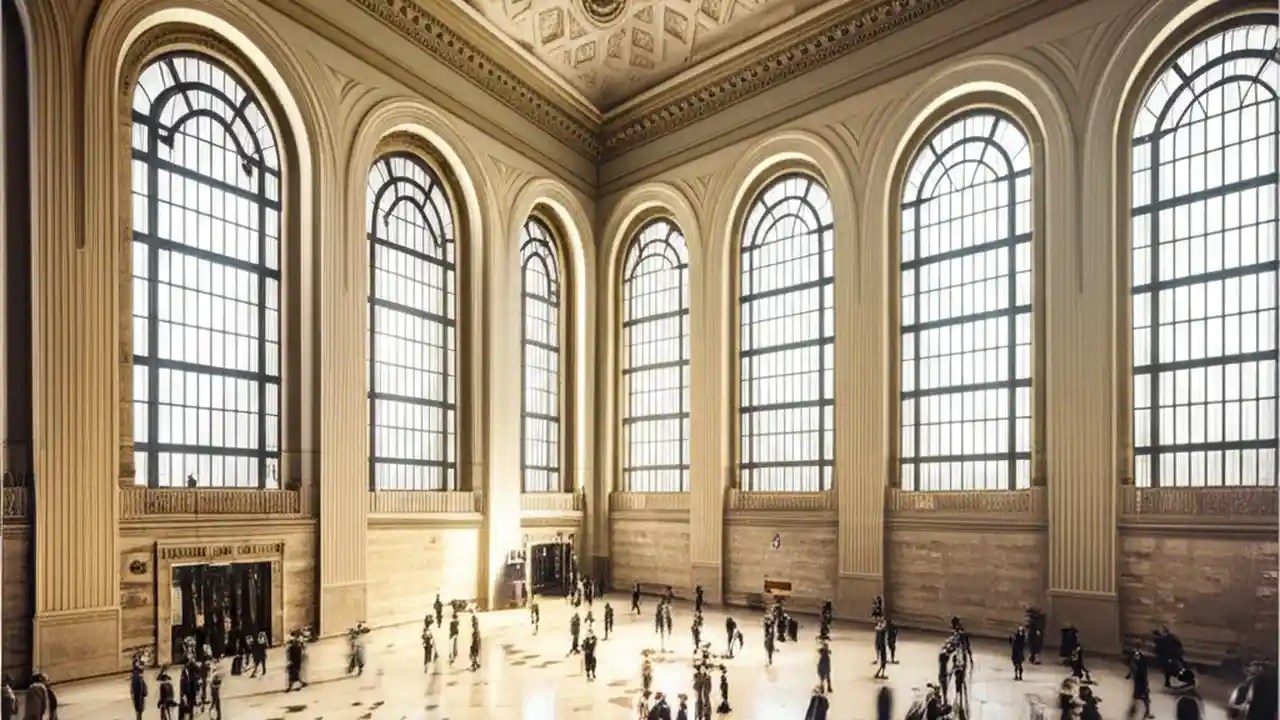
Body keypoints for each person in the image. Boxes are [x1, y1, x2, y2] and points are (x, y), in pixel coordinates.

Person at [1126, 648, 1153, 719]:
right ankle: (1144, 711)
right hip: (1139, 681)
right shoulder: (1135, 661)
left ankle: (1146, 711)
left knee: (1143, 697)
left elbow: (1142, 673)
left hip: (1141, 681)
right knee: (1141, 697)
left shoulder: (1139, 663)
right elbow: (1133, 669)